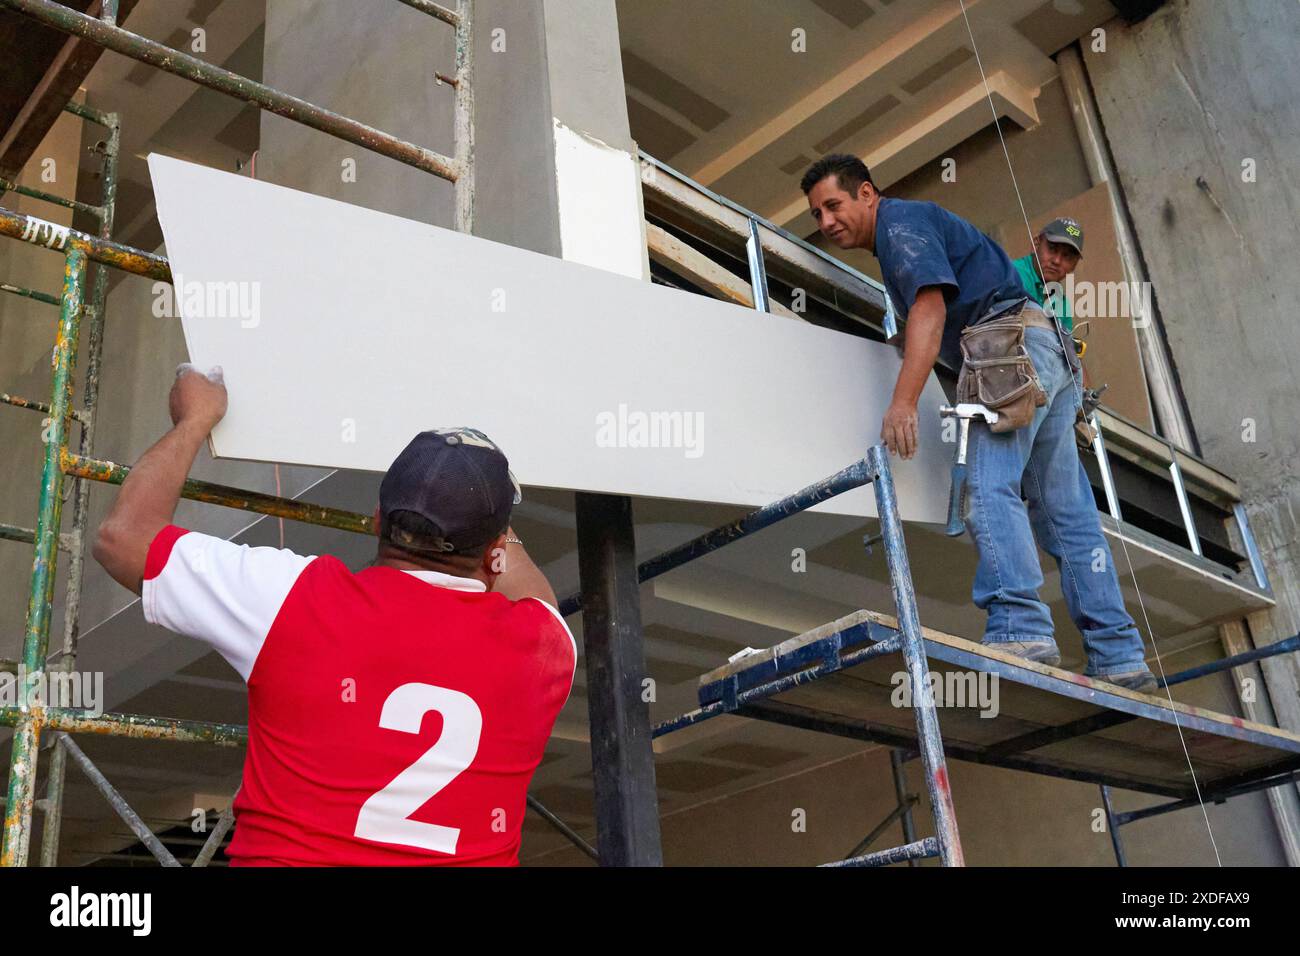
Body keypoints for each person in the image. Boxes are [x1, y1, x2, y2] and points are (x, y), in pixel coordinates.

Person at [93, 364, 577, 864]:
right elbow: (531, 591)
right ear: (496, 549)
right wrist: (488, 509)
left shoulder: (296, 599)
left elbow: (122, 538)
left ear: (376, 521)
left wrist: (193, 419)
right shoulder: (542, 650)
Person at [800, 154, 1156, 693]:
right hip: (1049, 354)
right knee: (1066, 512)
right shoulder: (912, 225)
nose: (826, 222)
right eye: (816, 214)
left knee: (987, 490)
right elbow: (941, 310)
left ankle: (1020, 627)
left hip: (1011, 350)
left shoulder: (899, 225)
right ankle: (1119, 654)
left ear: (868, 194)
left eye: (834, 204)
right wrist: (915, 341)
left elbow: (931, 308)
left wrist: (902, 402)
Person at [1012, 218, 1082, 333]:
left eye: (1067, 256)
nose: (1057, 261)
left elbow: (1065, 348)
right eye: (1052, 249)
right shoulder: (1012, 275)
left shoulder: (1061, 303)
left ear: (1074, 265)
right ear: (1036, 244)